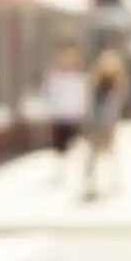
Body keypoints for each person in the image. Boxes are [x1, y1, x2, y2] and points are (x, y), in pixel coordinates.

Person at [84, 49, 129, 201]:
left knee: (100, 154)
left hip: (103, 123)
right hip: (100, 123)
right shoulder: (99, 84)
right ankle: (96, 183)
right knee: (98, 155)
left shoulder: (112, 85)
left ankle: (105, 182)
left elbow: (111, 106)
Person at [42, 42, 89, 184]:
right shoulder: (54, 77)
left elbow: (85, 97)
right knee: (60, 150)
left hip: (77, 118)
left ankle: (81, 175)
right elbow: (47, 95)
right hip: (60, 117)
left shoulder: (81, 77)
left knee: (79, 148)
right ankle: (60, 174)